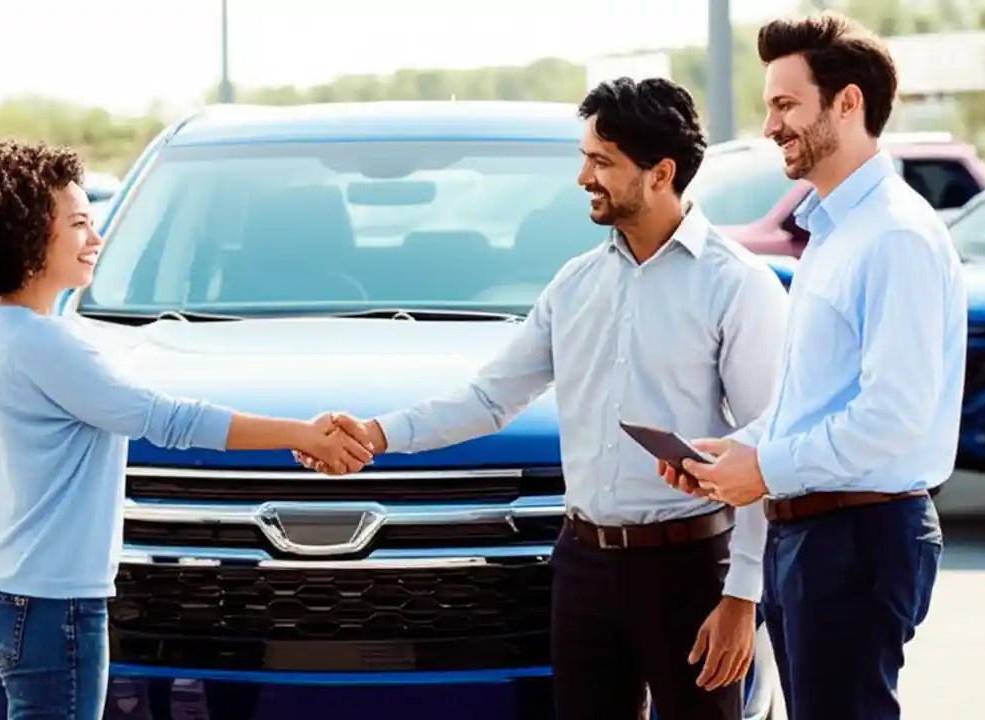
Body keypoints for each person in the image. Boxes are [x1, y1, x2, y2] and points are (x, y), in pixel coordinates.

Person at [297, 78, 789, 720]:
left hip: (692, 569)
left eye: (601, 161)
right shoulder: (573, 286)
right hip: (582, 566)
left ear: (660, 173)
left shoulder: (738, 286)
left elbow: (764, 448)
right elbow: (487, 399)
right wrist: (376, 433)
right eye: (585, 157)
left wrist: (741, 596)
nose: (583, 176)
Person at [0, 140, 374, 720]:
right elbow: (169, 418)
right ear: (29, 238)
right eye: (80, 224)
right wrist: (302, 434)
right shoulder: (47, 343)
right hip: (52, 606)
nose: (96, 239)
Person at [668, 12, 967, 720]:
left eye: (784, 104)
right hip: (813, 535)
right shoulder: (835, 231)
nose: (769, 125)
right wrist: (735, 452)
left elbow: (892, 419)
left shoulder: (895, 236)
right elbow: (814, 399)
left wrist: (766, 469)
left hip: (858, 539)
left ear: (849, 103)